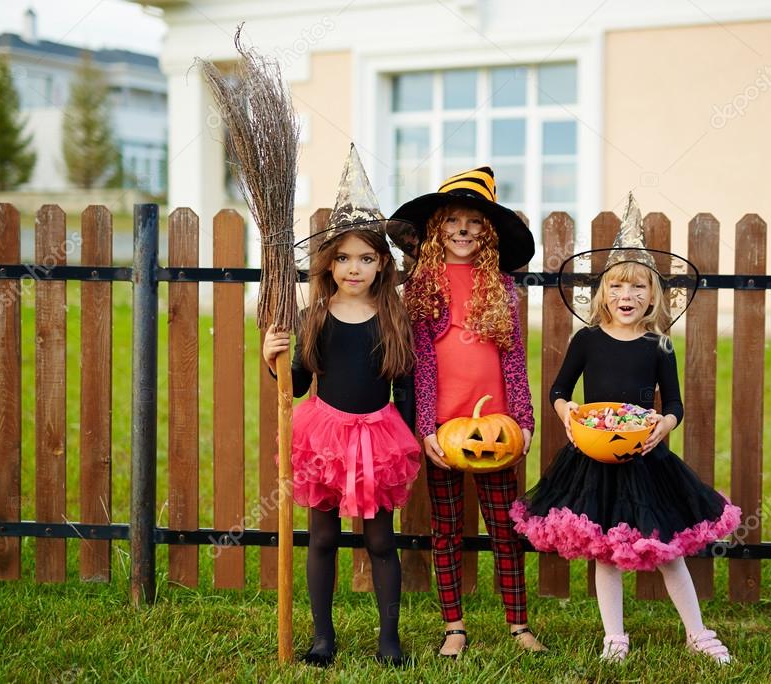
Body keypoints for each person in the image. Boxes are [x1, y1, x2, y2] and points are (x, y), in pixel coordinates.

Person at [511, 194, 741, 664]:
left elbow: (674, 402)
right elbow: (558, 389)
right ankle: (614, 637)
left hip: (644, 457)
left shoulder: (659, 345)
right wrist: (569, 416)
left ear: (653, 296)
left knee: (668, 548)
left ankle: (697, 632)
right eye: (617, 287)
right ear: (604, 294)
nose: (627, 297)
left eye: (638, 288)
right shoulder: (587, 340)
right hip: (592, 455)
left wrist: (665, 423)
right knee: (604, 552)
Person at [263, 145, 419, 667]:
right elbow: (301, 380)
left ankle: (389, 639)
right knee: (323, 535)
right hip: (325, 436)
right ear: (329, 263)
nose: (355, 268)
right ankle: (322, 637)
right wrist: (273, 360)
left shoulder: (395, 317)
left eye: (367, 258)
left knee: (380, 539)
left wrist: (414, 437)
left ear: (382, 264)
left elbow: (405, 388)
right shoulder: (314, 317)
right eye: (344, 257)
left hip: (378, 437)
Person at [387, 167, 546, 657]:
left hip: (497, 427)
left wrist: (524, 418)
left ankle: (518, 624)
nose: (462, 229)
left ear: (488, 232)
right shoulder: (422, 287)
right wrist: (426, 426)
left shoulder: (499, 286)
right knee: (447, 527)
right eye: (452, 220)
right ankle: (454, 624)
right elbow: (422, 365)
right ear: (436, 230)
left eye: (474, 221)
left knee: (505, 528)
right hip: (446, 431)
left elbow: (514, 358)